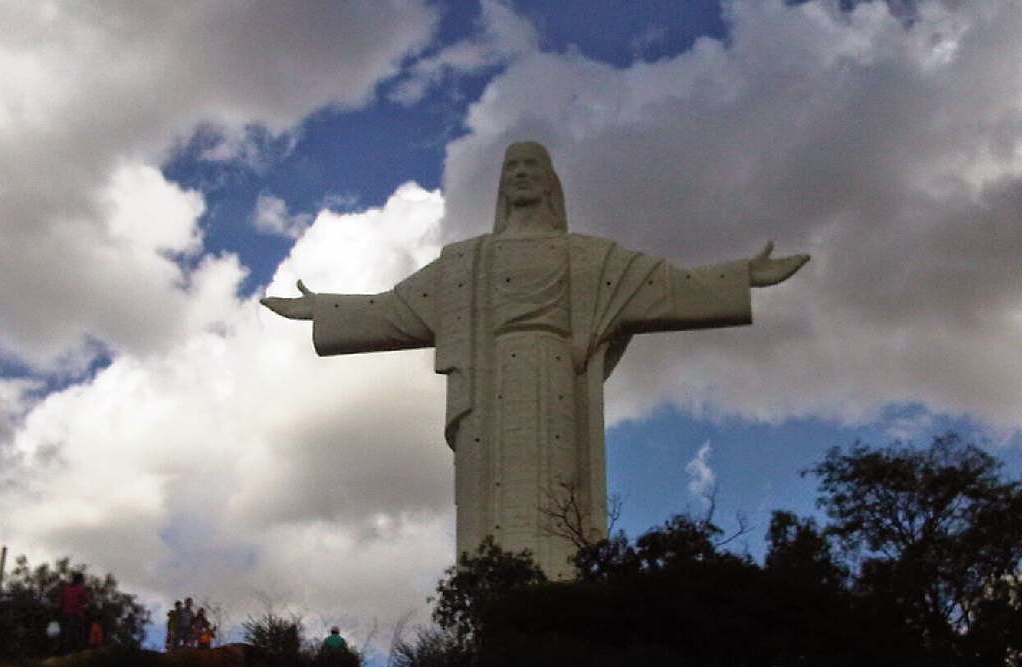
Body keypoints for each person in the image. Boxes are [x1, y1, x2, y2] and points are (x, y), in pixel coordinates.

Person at [262, 141, 809, 579]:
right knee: (491, 510)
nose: (520, 175)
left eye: (531, 167)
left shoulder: (588, 256)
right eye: (512, 168)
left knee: (557, 510)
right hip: (490, 376)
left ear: (549, 183)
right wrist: (324, 309)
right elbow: (399, 308)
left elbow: (664, 285)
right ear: (502, 186)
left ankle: (562, 602)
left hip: (553, 377)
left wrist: (740, 277)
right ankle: (493, 605)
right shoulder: (466, 261)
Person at [59, 572, 87, 654]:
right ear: (80, 580)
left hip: (65, 614)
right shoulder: (80, 589)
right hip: (76, 614)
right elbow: (85, 600)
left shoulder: (67, 588)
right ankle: (76, 652)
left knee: (66, 634)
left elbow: (61, 601)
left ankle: (64, 652)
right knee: (77, 634)